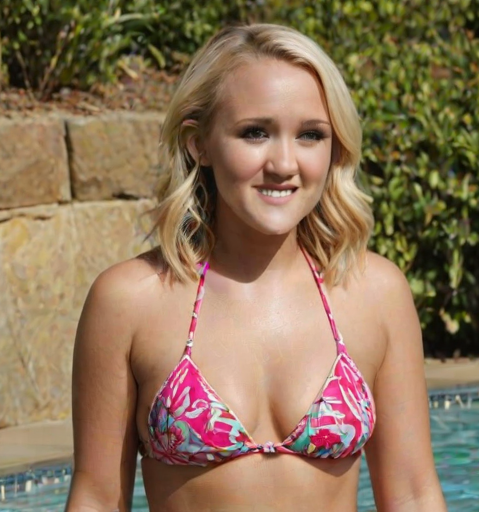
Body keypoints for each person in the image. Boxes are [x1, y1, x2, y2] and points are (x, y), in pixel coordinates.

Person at [65, 23, 446, 512]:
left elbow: (413, 494)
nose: (284, 163)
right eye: (255, 133)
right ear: (198, 143)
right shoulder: (130, 301)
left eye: (310, 135)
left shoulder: (375, 293)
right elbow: (97, 499)